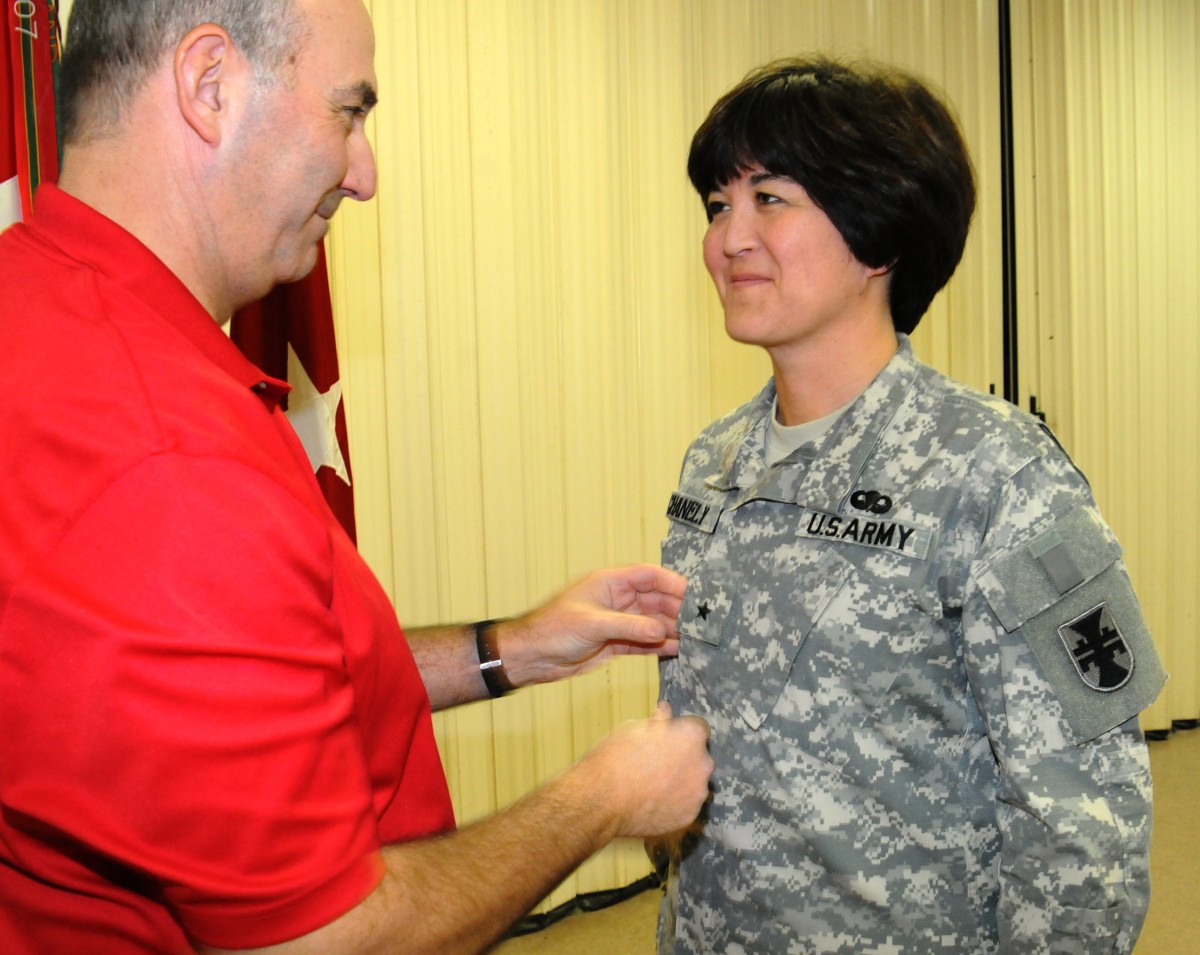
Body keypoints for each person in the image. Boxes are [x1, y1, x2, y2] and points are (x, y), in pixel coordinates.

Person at [0, 1, 713, 953]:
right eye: (348, 112)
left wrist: (513, 648)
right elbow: (329, 937)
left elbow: (219, 703)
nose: (366, 175)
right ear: (210, 86)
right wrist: (602, 799)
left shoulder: (41, 312)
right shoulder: (168, 459)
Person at [655, 56, 1165, 954]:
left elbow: (1086, 819)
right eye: (716, 206)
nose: (728, 238)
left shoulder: (997, 474)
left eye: (769, 198)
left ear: (879, 233)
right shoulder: (716, 463)